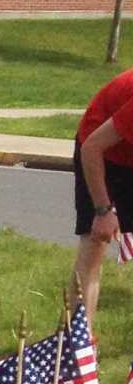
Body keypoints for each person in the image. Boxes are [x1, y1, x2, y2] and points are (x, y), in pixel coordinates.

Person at [71, 67, 133, 324]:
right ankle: (78, 344)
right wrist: (103, 211)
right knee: (95, 243)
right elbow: (92, 148)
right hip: (99, 153)